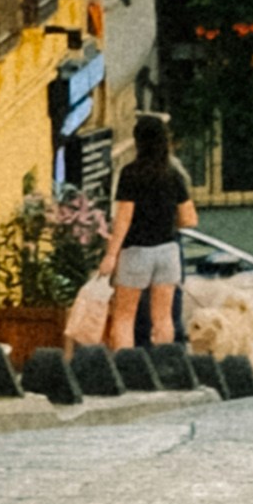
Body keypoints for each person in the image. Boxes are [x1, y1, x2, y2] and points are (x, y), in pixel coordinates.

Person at [106, 114, 195, 357]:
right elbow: (190, 219)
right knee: (163, 318)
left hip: (136, 251)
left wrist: (111, 256)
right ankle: (163, 365)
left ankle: (126, 368)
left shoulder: (130, 173)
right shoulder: (173, 175)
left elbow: (123, 219)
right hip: (168, 251)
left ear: (138, 141)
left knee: (125, 316)